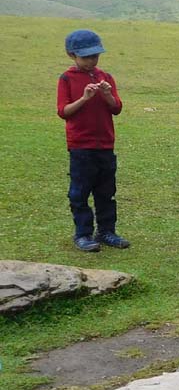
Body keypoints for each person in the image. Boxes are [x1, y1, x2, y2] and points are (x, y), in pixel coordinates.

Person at [57, 29, 130, 252]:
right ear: (72, 55)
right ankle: (83, 234)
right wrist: (84, 98)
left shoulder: (105, 77)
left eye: (95, 56)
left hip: (105, 145)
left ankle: (107, 231)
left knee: (106, 192)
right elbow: (64, 111)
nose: (91, 61)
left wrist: (107, 94)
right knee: (79, 192)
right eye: (86, 56)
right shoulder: (67, 78)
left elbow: (116, 108)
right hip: (81, 146)